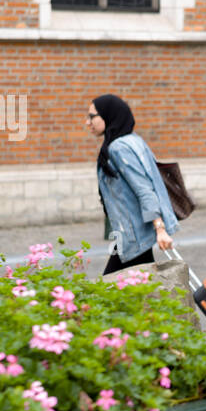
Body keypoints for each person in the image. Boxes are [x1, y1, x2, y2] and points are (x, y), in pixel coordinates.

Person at [86, 94, 178, 275]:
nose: (87, 122)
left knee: (111, 291)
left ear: (108, 115)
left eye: (92, 116)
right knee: (138, 290)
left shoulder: (119, 148)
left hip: (134, 237)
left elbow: (144, 189)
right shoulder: (132, 140)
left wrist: (160, 229)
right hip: (131, 237)